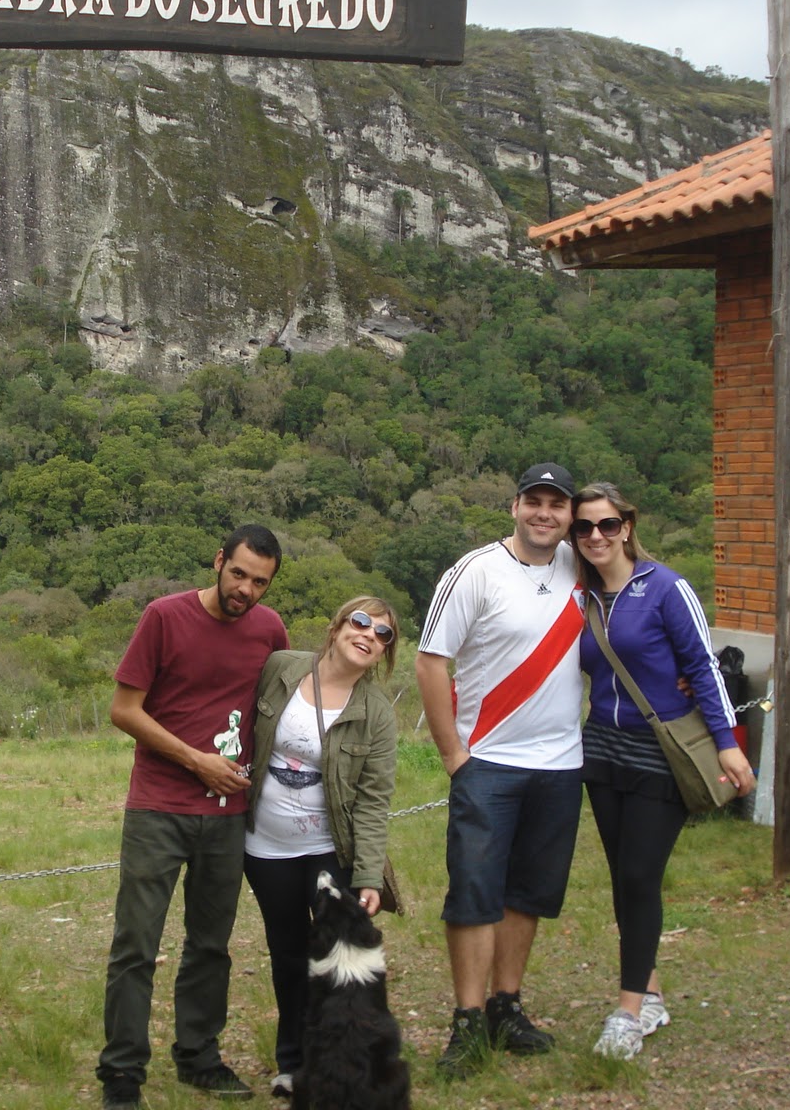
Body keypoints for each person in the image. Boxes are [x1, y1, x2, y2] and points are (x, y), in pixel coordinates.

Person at [96, 524, 291, 1110]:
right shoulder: (164, 616)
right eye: (238, 574)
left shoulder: (269, 629)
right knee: (136, 942)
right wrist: (195, 761)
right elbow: (123, 710)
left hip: (229, 815)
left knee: (211, 945)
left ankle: (199, 1058)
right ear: (218, 561)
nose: (246, 591)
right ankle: (123, 1073)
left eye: (260, 582)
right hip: (158, 805)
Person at [571, 481, 756, 1060]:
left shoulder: (666, 588)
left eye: (606, 524)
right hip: (601, 749)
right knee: (623, 877)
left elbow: (702, 665)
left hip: (662, 749)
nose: (595, 536)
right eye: (585, 528)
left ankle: (628, 1012)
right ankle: (649, 991)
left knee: (640, 876)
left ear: (627, 526)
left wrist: (727, 744)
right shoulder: (579, 595)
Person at [415, 463, 586, 1078]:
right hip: (487, 760)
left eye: (556, 505)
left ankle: (505, 1006)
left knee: (528, 893)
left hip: (561, 762)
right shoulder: (476, 570)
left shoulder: (580, 567)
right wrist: (452, 756)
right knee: (475, 892)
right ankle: (466, 1021)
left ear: (570, 514)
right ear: (514, 506)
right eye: (534, 501)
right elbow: (432, 662)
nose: (545, 514)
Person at [243, 595, 401, 1100]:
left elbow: (375, 798)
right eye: (361, 622)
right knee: (288, 953)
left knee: (339, 957)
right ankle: (292, 1062)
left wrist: (370, 874)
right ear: (336, 627)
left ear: (385, 652)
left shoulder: (376, 711)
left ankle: (341, 1055)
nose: (369, 635)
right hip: (264, 846)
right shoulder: (281, 669)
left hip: (328, 848)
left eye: (383, 634)